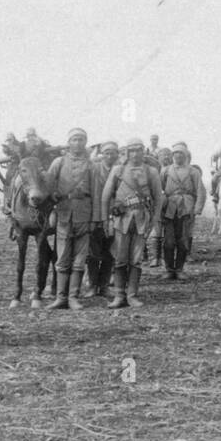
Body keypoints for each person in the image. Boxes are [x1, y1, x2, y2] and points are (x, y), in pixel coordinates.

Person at [101, 140, 164, 308]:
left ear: (143, 152)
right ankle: (119, 296)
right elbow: (106, 197)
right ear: (127, 153)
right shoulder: (118, 170)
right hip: (121, 220)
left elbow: (158, 197)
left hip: (142, 220)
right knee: (120, 258)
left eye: (138, 150)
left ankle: (132, 295)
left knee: (135, 260)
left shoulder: (151, 172)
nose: (135, 154)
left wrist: (155, 219)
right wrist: (105, 220)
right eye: (131, 151)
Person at [45, 129, 102, 309]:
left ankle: (73, 297)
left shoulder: (92, 166)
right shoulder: (58, 162)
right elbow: (48, 185)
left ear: (85, 142)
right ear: (68, 142)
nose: (77, 143)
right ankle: (60, 297)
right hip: (63, 213)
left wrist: (95, 219)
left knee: (79, 257)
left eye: (81, 140)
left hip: (83, 214)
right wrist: (53, 197)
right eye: (74, 139)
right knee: (62, 256)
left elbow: (97, 194)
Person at [160, 142, 207, 280]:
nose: (178, 156)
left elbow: (200, 191)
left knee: (183, 240)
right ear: (172, 156)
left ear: (186, 155)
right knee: (168, 240)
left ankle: (179, 269)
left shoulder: (193, 171)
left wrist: (197, 208)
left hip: (187, 207)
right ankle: (169, 269)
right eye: (175, 153)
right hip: (170, 207)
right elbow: (161, 188)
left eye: (181, 153)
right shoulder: (166, 170)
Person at [83, 142, 119, 299]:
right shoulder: (94, 168)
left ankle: (103, 286)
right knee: (93, 253)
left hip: (114, 216)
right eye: (107, 153)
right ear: (102, 155)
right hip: (96, 216)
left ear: (117, 154)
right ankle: (92, 285)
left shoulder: (120, 170)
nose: (110, 156)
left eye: (113, 153)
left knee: (109, 253)